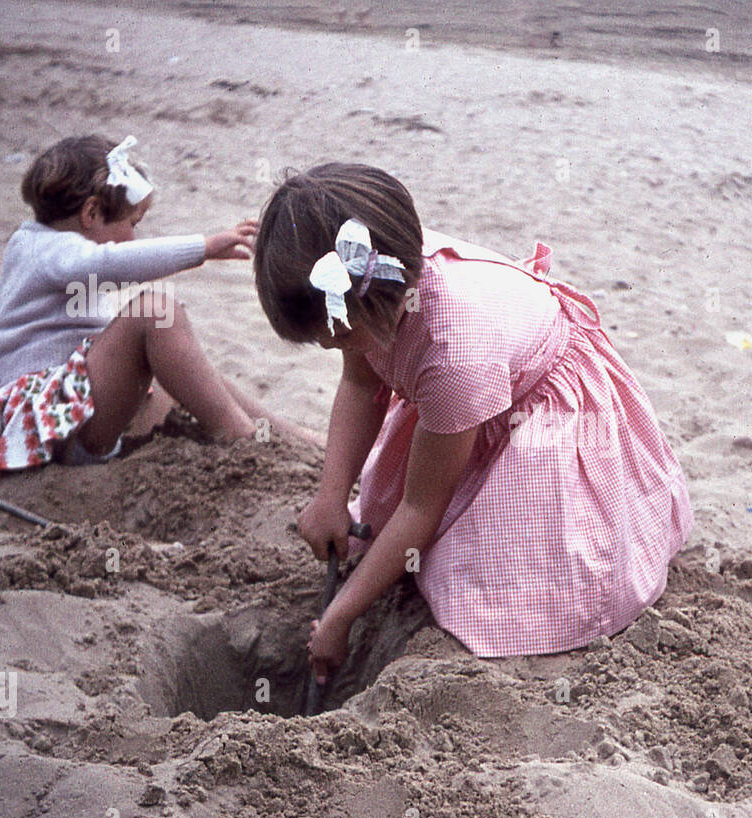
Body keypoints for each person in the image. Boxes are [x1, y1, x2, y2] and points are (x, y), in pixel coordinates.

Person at [253, 162, 692, 670]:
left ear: (372, 304)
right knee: (404, 533)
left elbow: (422, 506)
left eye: (341, 336)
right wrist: (332, 495)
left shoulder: (453, 352)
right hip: (465, 399)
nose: (335, 346)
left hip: (542, 417)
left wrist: (339, 618)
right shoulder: (373, 274)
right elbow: (360, 382)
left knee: (487, 586)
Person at [0, 134, 318, 470]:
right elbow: (107, 263)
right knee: (158, 312)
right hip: (63, 425)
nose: (133, 238)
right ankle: (243, 440)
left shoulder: (29, 250)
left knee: (187, 367)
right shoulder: (55, 250)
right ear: (90, 213)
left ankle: (288, 435)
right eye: (131, 224)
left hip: (69, 416)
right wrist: (202, 247)